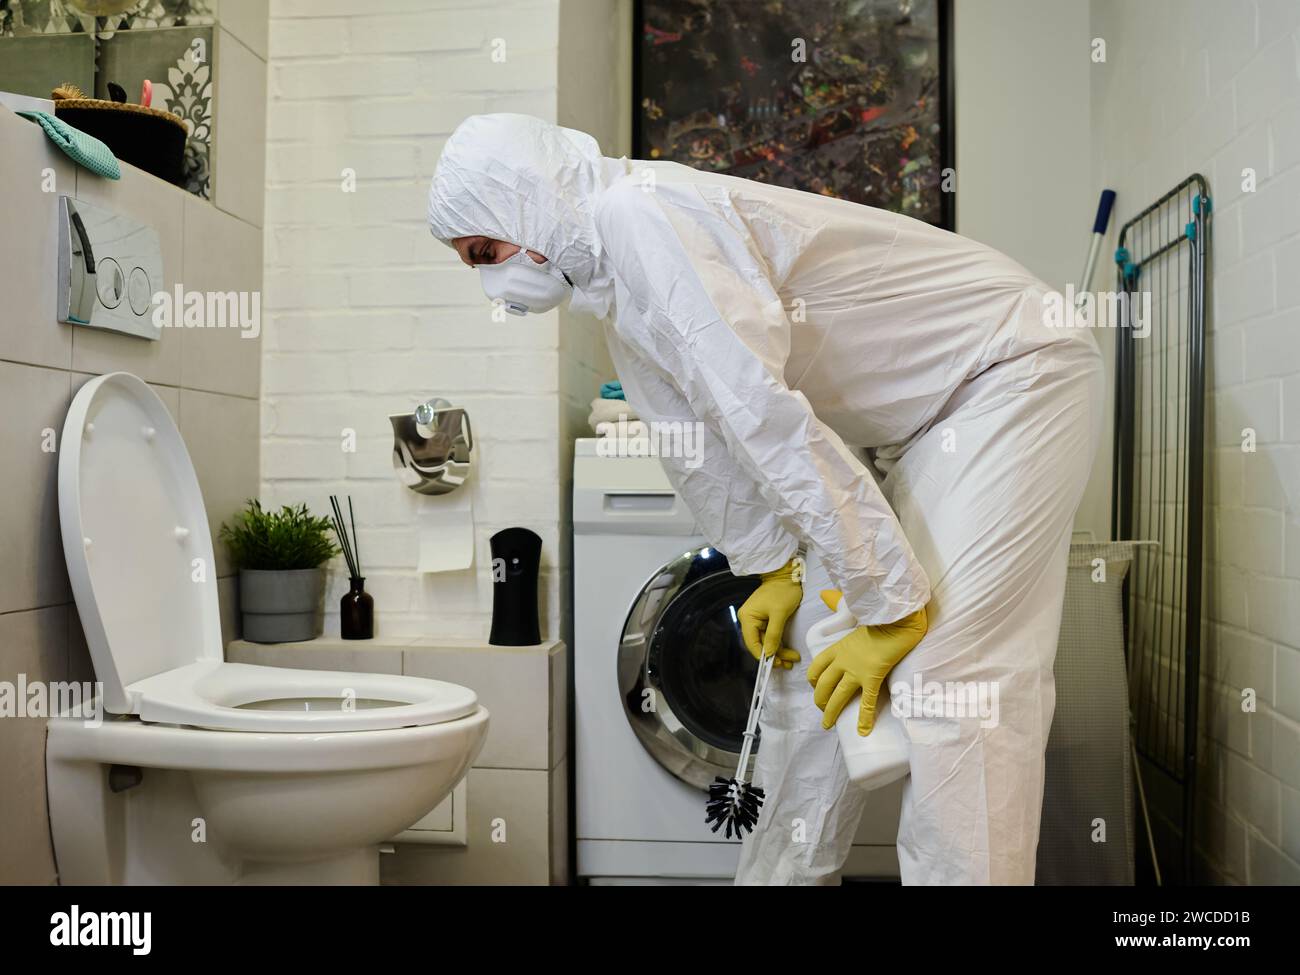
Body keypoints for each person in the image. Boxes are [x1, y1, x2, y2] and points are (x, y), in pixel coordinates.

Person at [427, 113, 1103, 885]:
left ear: (525, 201)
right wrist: (772, 564)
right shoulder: (611, 275)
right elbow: (698, 441)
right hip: (916, 424)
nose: (491, 282)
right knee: (800, 677)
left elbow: (761, 413)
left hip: (1010, 372)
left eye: (485, 252)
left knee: (951, 678)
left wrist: (890, 602)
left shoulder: (641, 212)